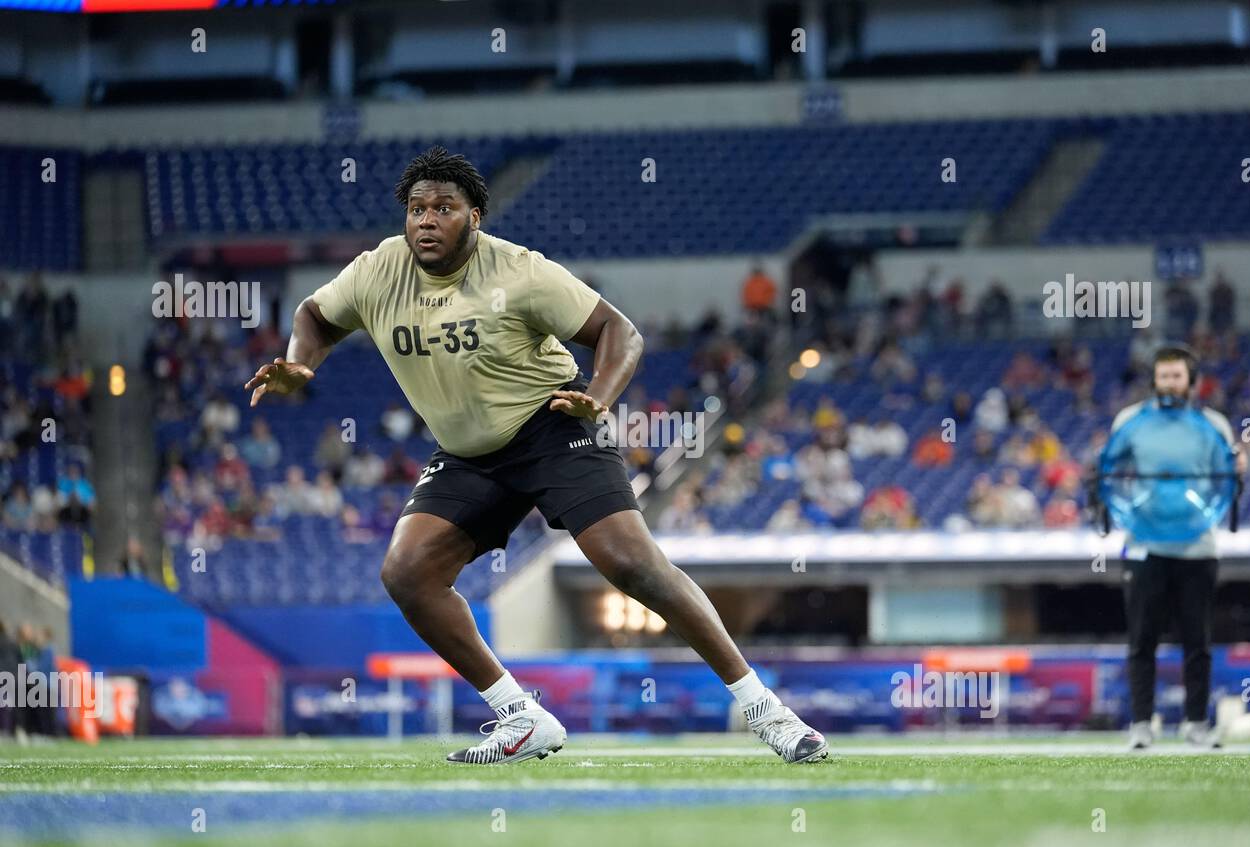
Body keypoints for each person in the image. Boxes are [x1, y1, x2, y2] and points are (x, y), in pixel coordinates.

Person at [245, 146, 828, 765]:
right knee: (407, 573)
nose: (426, 220)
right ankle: (521, 716)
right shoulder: (377, 271)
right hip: (469, 453)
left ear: (475, 217)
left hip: (552, 424)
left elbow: (618, 332)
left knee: (631, 564)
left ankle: (767, 710)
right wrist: (303, 362)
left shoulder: (519, 272)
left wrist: (597, 397)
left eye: (444, 208)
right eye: (417, 209)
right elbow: (315, 313)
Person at [1110, 344, 1245, 750]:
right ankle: (1140, 724)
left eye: (1176, 376)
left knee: (1197, 641)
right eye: (1163, 375)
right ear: (1154, 379)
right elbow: (1108, 469)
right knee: (1141, 641)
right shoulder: (1130, 421)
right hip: (1144, 545)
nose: (1169, 383)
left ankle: (1196, 724)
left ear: (1191, 381)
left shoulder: (1214, 424)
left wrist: (1238, 467)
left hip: (1199, 547)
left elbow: (1230, 474)